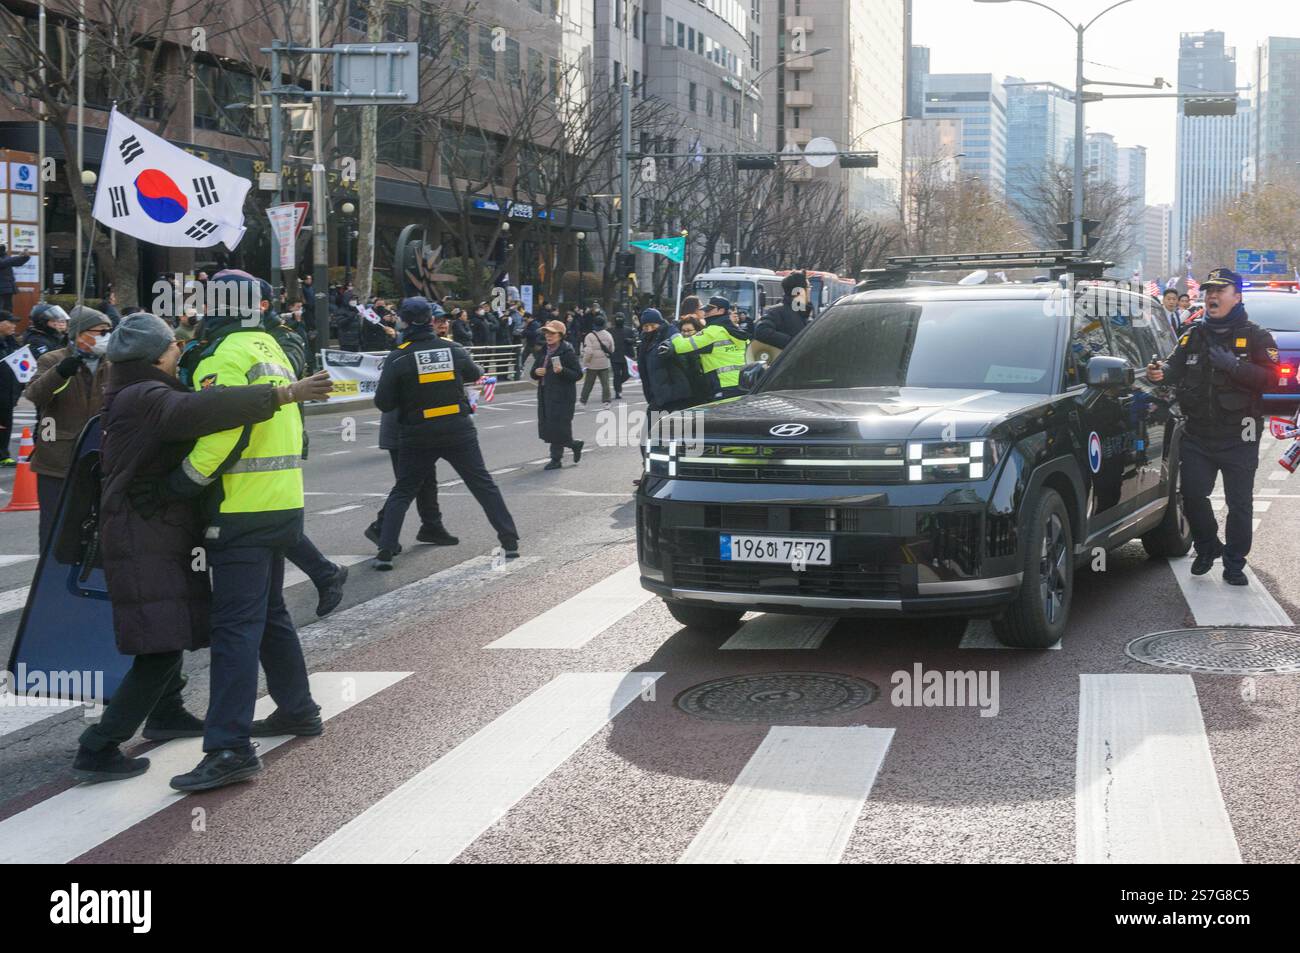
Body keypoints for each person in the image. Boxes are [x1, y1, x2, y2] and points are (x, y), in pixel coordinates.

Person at [73, 314, 332, 783]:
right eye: (173, 344)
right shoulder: (148, 394)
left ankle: (240, 724)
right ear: (156, 354)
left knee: (224, 624)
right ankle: (107, 745)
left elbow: (206, 415)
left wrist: (179, 488)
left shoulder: (147, 386)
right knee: (178, 639)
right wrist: (285, 394)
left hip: (186, 525)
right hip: (154, 534)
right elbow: (201, 414)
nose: (182, 349)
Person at [157, 270, 324, 792]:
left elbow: (221, 429)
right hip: (281, 501)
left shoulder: (220, 355)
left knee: (235, 628)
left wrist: (178, 485)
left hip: (239, 508)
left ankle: (230, 747)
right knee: (269, 612)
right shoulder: (267, 344)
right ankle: (297, 709)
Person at [1147, 268, 1277, 586]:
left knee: (1239, 503)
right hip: (1197, 434)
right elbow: (1173, 367)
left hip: (1239, 434)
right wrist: (1159, 372)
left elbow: (1272, 378)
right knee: (1191, 495)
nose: (1212, 296)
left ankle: (1234, 561)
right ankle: (1207, 547)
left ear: (1238, 296)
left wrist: (1235, 366)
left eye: (1221, 290)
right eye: (1209, 291)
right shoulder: (1193, 334)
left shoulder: (1258, 336)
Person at [371, 297, 519, 569]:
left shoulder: (399, 356)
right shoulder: (453, 349)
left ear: (403, 322)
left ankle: (386, 549)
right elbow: (475, 374)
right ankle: (509, 540)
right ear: (431, 320)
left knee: (403, 491)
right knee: (482, 484)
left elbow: (384, 403)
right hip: (457, 429)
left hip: (417, 434)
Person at [264, 301, 350, 617]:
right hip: (263, 434)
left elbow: (287, 370)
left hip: (279, 435)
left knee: (278, 519)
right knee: (271, 520)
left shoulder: (284, 335)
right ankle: (325, 573)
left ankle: (325, 574)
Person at [365, 305, 458, 552]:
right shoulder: (410, 349)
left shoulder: (438, 348)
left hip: (424, 427)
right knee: (410, 483)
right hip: (403, 427)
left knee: (425, 480)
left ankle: (432, 526)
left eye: (445, 321)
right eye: (438, 321)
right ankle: (382, 530)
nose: (443, 325)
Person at [24, 306, 113, 549]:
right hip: (58, 461)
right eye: (101, 331)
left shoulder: (112, 364)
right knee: (55, 528)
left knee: (97, 527)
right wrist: (61, 372)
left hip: (99, 459)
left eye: (109, 331)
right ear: (80, 333)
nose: (106, 336)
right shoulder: (52, 360)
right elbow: (35, 394)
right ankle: (49, 579)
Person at [658, 295, 750, 405]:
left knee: (722, 420)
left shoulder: (713, 331)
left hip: (722, 386)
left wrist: (673, 332)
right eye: (705, 309)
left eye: (709, 310)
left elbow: (682, 346)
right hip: (741, 384)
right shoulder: (736, 330)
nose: (705, 312)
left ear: (721, 310)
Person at [534, 319, 584, 470]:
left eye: (552, 333)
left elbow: (578, 374)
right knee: (550, 426)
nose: (548, 336)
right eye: (546, 333)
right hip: (545, 393)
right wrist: (536, 372)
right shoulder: (544, 350)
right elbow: (535, 370)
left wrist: (562, 371)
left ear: (560, 335)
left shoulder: (567, 351)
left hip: (562, 395)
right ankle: (574, 444)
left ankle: (556, 459)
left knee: (558, 426)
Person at [638, 308, 693, 413]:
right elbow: (644, 371)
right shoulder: (644, 342)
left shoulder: (671, 335)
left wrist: (671, 350)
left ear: (660, 323)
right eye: (646, 326)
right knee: (653, 427)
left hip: (676, 397)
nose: (649, 329)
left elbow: (684, 361)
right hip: (658, 397)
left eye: (653, 326)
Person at [751, 271, 810, 363]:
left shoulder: (804, 313)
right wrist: (793, 343)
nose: (809, 290)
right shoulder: (777, 312)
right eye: (808, 287)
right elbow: (762, 331)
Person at [0, 311, 22, 466]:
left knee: (6, 424)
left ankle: (3, 455)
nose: (14, 326)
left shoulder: (11, 342)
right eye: (10, 322)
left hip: (8, 393)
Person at [580, 314, 616, 408]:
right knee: (605, 384)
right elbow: (611, 349)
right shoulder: (608, 335)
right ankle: (606, 402)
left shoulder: (589, 336)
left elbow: (588, 352)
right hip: (604, 363)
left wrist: (585, 363)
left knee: (588, 384)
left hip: (592, 364)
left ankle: (583, 402)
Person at [610, 313, 635, 400]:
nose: (619, 320)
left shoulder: (629, 330)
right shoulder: (610, 330)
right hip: (615, 356)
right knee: (616, 375)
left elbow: (634, 340)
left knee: (627, 374)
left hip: (626, 356)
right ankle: (618, 391)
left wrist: (630, 340)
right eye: (617, 318)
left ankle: (617, 384)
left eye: (620, 318)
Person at [0, 244, 32, 312]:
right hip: (4, 288)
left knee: (7, 311)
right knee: (2, 312)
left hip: (7, 289)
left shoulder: (4, 256)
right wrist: (19, 257)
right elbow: (3, 263)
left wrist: (25, 257)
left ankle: (8, 322)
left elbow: (15, 262)